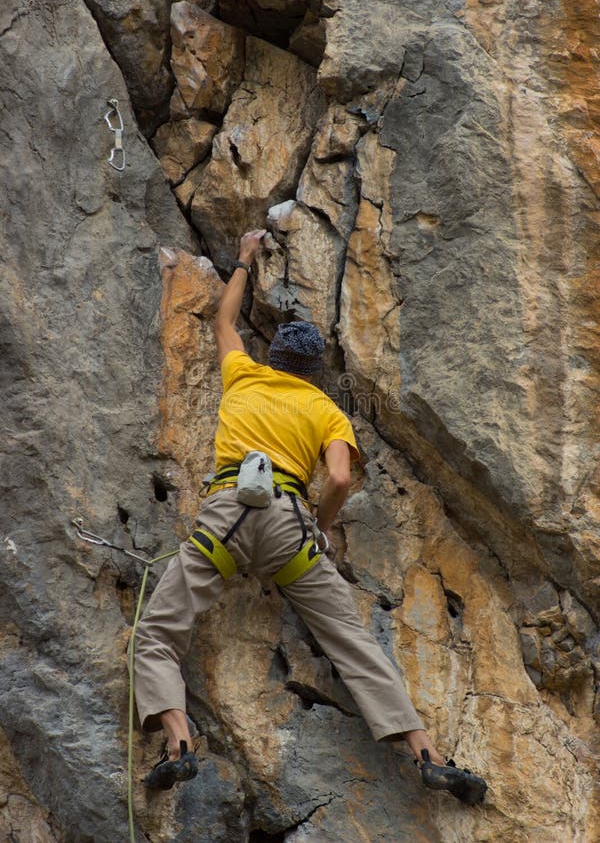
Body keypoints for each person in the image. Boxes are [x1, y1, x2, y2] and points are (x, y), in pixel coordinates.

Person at [132, 229, 487, 805]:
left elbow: (223, 321)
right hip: (290, 527)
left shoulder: (244, 375)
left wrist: (244, 259)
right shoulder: (324, 408)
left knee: (157, 633)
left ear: (272, 359)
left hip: (226, 517)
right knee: (351, 641)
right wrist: (320, 525)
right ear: (315, 369)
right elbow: (342, 478)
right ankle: (427, 753)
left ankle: (178, 744)